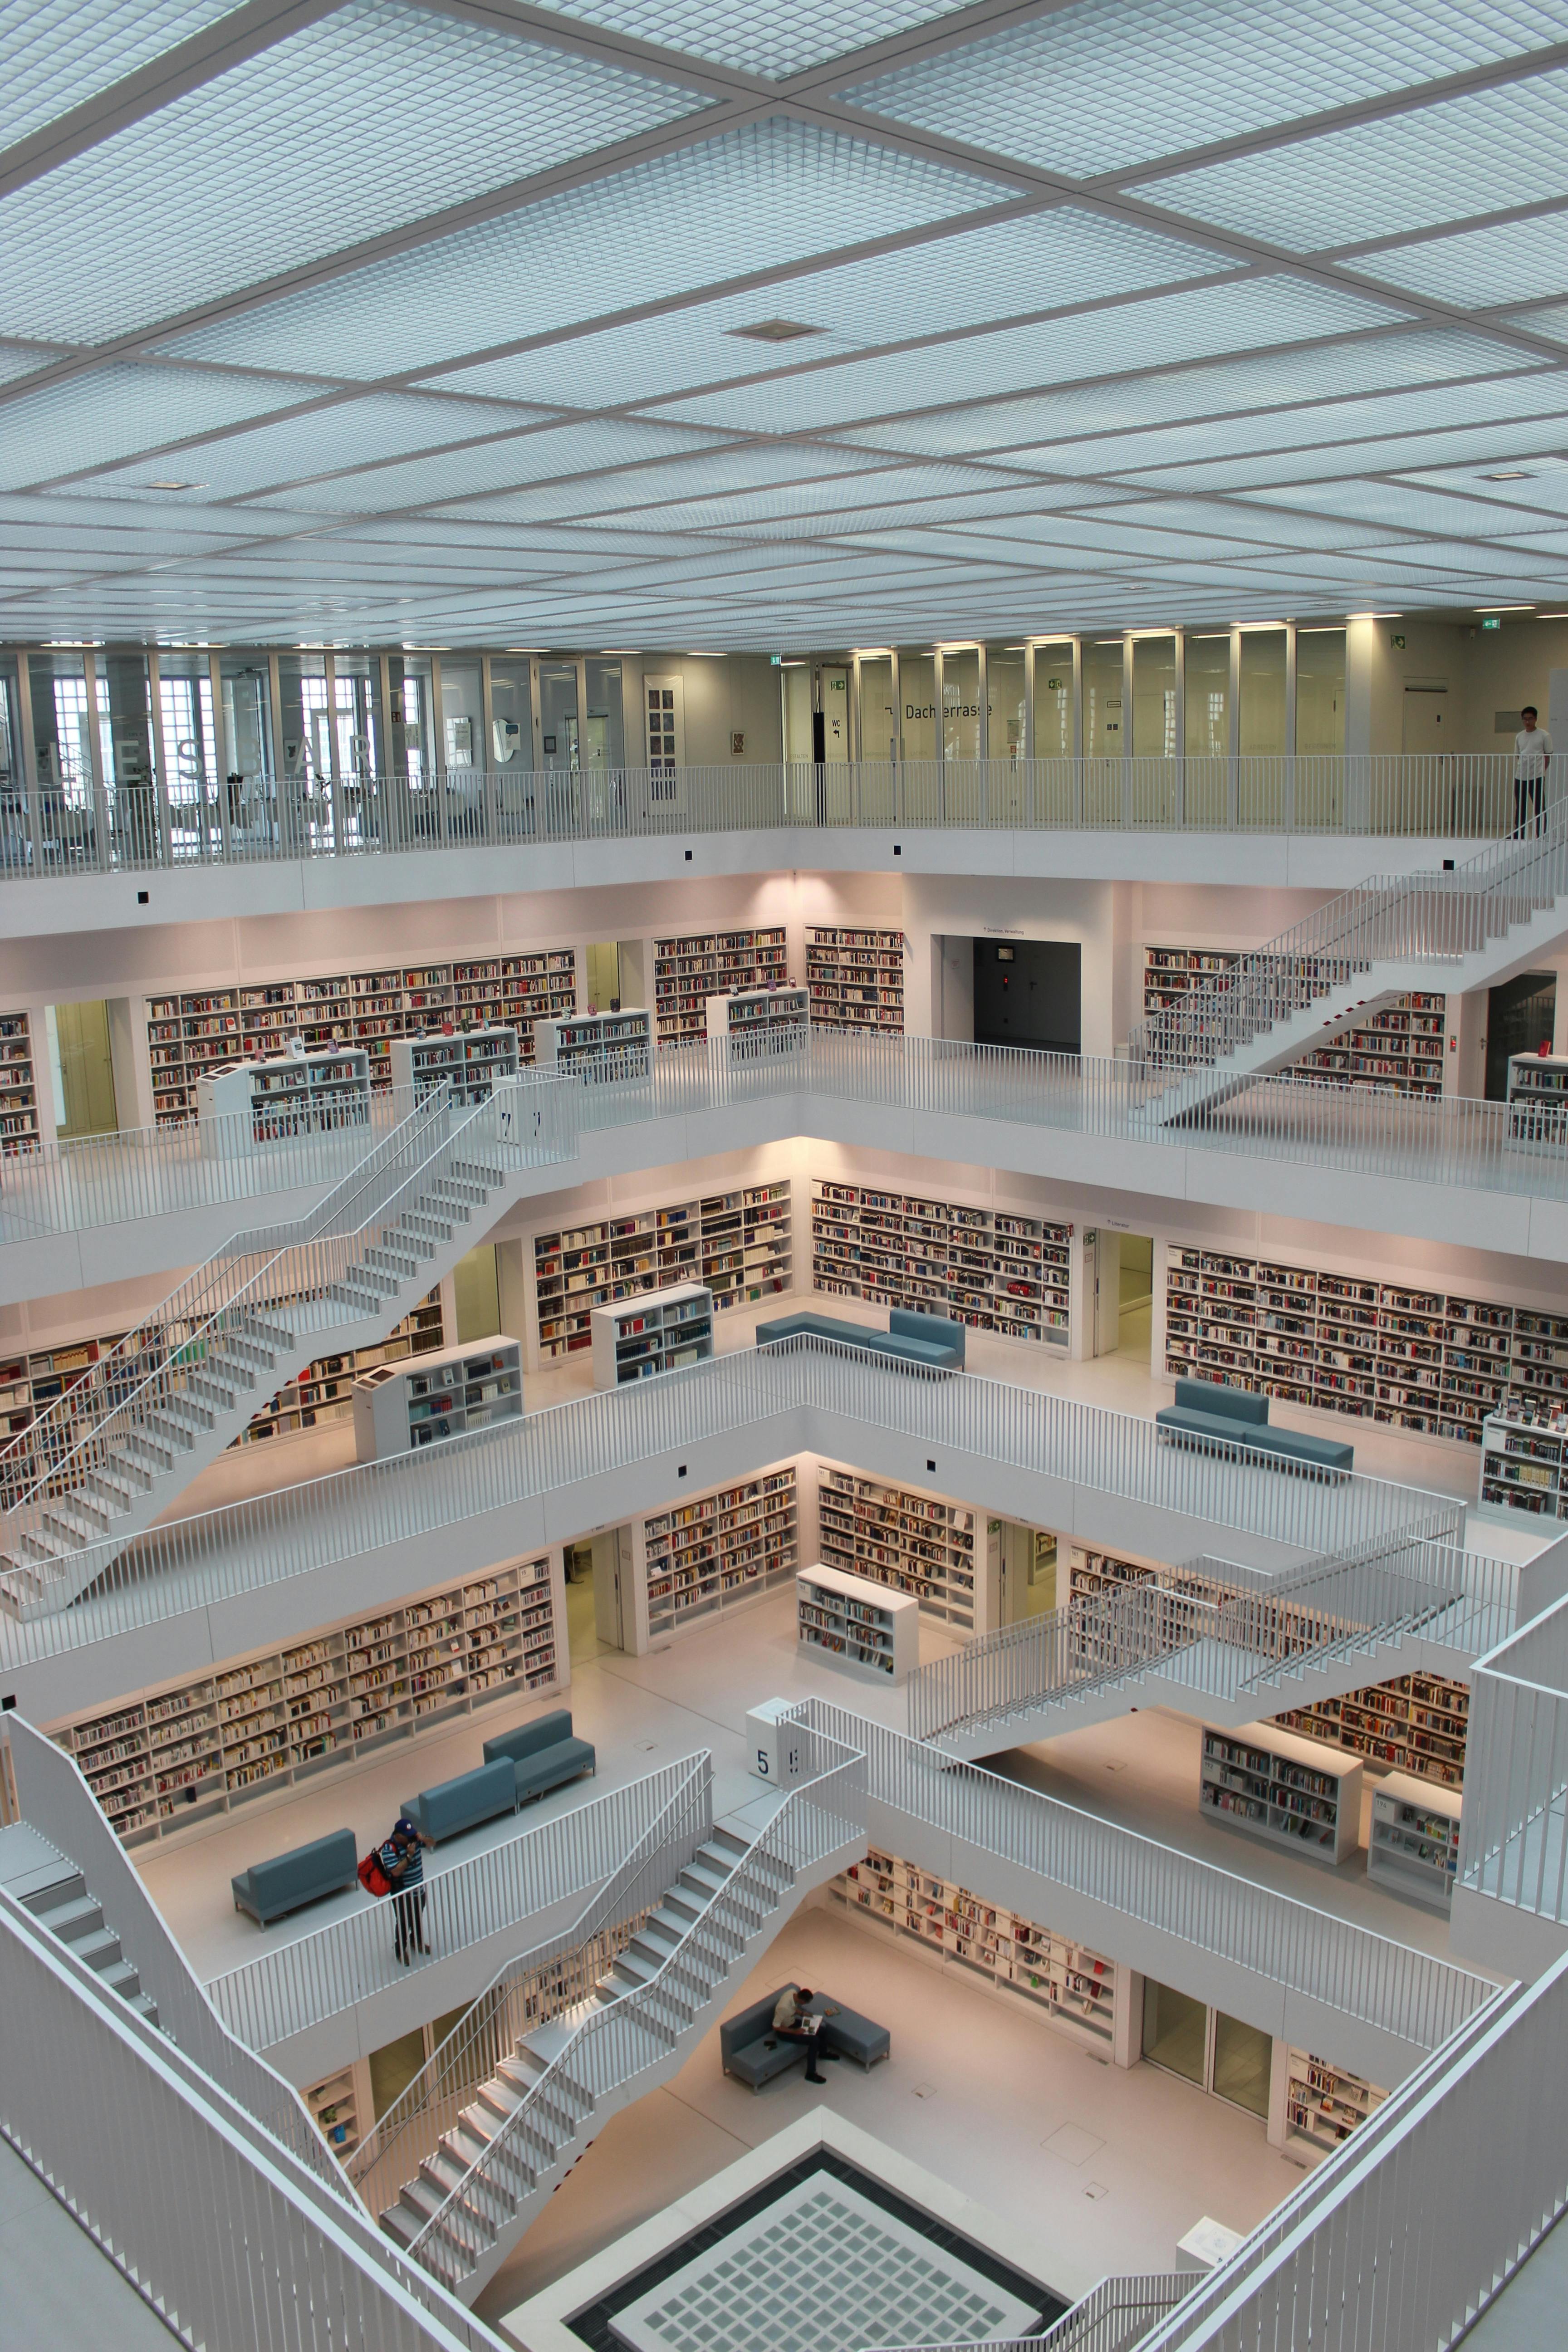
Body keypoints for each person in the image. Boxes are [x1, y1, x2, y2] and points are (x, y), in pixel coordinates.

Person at [381, 1816, 433, 1963]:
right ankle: (400, 1951)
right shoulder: (389, 1849)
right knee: (404, 1921)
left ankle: (417, 1941)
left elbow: (433, 1843)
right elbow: (396, 1871)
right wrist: (410, 1855)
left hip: (419, 1890)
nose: (410, 1838)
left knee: (417, 1917)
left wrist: (423, 1838)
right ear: (398, 1836)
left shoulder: (414, 1840)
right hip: (403, 1894)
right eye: (407, 1836)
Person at [773, 1984, 838, 2084]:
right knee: (814, 2041)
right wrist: (795, 2032)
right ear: (802, 2001)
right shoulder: (783, 2008)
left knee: (822, 2030)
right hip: (784, 2031)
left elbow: (793, 2008)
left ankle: (823, 2053)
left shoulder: (792, 1992)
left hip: (792, 2022)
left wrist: (802, 2014)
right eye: (806, 2003)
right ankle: (811, 2073)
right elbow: (776, 2026)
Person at [1514, 707, 1551, 836]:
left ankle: (1541, 834)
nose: (1527, 722)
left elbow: (1548, 755)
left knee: (1539, 807)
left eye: (1530, 719)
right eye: (1525, 719)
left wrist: (1542, 771)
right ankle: (1519, 834)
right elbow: (1518, 755)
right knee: (1520, 806)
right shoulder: (1520, 736)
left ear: (1536, 719)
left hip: (1537, 775)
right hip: (1520, 775)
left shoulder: (1544, 735)